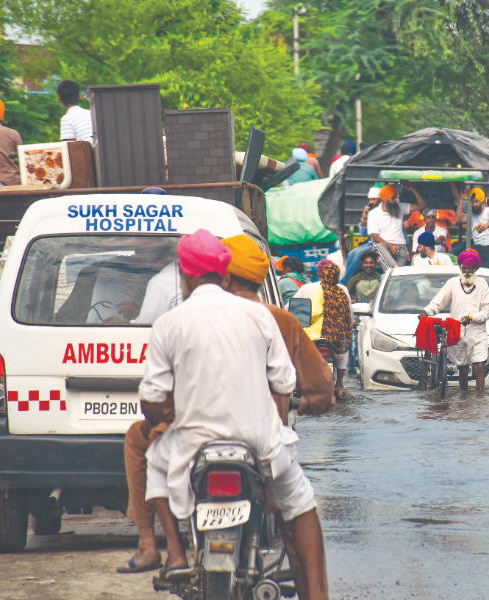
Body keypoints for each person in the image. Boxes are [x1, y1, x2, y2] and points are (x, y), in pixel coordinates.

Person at [138, 230, 327, 600]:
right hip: (258, 443)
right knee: (300, 502)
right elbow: (285, 381)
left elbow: (153, 397)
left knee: (155, 463)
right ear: (223, 275)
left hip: (194, 446)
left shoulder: (169, 323)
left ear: (184, 274)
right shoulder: (259, 315)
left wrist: (156, 416)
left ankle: (176, 555)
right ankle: (319, 595)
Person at [420, 249, 489, 392]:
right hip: (456, 331)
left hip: (477, 331)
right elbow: (438, 302)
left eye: (470, 268)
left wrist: (471, 318)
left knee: (479, 366)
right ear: (460, 268)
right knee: (462, 368)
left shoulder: (482, 284)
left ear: (475, 269)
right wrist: (426, 312)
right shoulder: (452, 283)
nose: (467, 271)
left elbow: (487, 311)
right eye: (464, 268)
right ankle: (464, 397)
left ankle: (480, 398)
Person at [299, 260, 353, 392]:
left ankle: (300, 382)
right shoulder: (342, 291)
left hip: (316, 333)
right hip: (338, 335)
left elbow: (314, 311)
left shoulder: (317, 290)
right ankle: (339, 383)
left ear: (322, 275)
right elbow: (348, 314)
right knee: (343, 352)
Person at [368, 183, 426, 268]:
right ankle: (395, 268)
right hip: (384, 246)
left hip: (401, 247)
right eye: (393, 198)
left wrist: (413, 190)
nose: (396, 200)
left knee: (395, 266)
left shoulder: (400, 207)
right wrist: (390, 246)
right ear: (385, 199)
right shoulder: (373, 213)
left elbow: (422, 205)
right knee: (378, 246)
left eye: (396, 197)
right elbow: (375, 237)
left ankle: (394, 269)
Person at [339, 186, 382, 285]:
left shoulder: (382, 212)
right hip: (371, 243)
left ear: (380, 200)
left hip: (380, 243)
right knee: (351, 253)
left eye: (374, 199)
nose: (371, 202)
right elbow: (363, 233)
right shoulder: (372, 213)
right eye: (370, 200)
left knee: (359, 254)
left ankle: (344, 282)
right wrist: (364, 218)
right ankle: (350, 278)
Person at [453, 187, 489, 269]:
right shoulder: (471, 215)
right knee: (463, 262)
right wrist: (461, 199)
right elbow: (459, 219)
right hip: (477, 247)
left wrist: (485, 226)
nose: (474, 205)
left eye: (476, 201)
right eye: (472, 202)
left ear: (482, 201)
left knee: (482, 270)